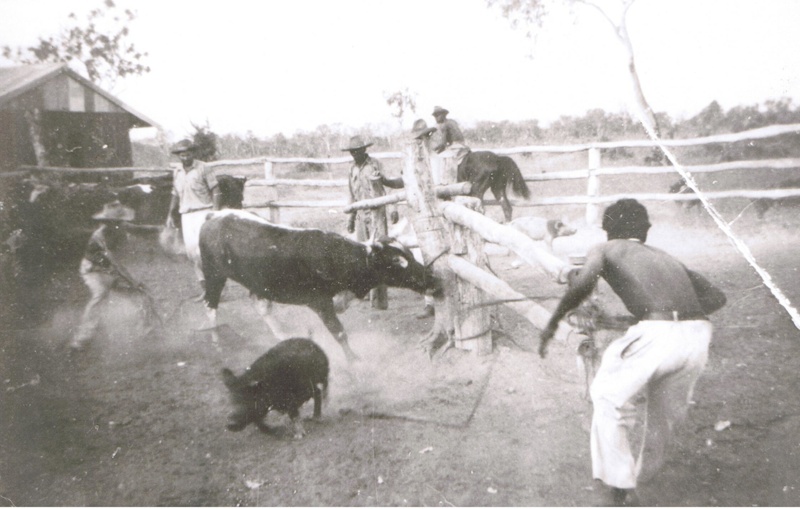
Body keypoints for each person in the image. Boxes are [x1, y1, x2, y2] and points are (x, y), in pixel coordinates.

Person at [538, 198, 726, 506]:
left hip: (659, 334)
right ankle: (644, 483)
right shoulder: (665, 256)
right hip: (697, 335)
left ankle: (620, 484)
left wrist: (551, 324)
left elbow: (582, 285)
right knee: (664, 416)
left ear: (607, 229)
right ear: (645, 229)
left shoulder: (605, 249)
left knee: (607, 396)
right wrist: (667, 314)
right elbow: (717, 298)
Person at [70, 201, 150, 350]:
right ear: (106, 222)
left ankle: (147, 332)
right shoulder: (100, 235)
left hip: (110, 269)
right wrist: (133, 281)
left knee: (140, 294)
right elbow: (115, 262)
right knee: (101, 293)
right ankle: (82, 338)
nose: (116, 224)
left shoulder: (122, 226)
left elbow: (139, 229)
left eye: (119, 221)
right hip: (93, 270)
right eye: (112, 222)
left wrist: (160, 228)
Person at [344, 135, 404, 310]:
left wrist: (393, 208)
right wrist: (351, 218)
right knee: (363, 253)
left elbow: (389, 186)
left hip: (377, 213)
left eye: (357, 151)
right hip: (361, 215)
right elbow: (351, 194)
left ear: (364, 150)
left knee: (380, 252)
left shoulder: (375, 164)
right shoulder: (352, 169)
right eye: (352, 152)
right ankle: (366, 293)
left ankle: (380, 301)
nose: (354, 154)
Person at [165, 139, 222, 298]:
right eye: (182, 155)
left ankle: (215, 289)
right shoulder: (177, 171)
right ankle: (205, 290)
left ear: (193, 153)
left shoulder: (203, 168)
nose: (185, 157)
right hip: (186, 215)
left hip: (203, 212)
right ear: (178, 156)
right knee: (191, 254)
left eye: (188, 154)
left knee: (205, 252)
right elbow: (175, 194)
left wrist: (215, 212)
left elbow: (216, 190)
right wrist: (170, 214)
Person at [409, 119, 438, 319]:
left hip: (437, 215)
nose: (419, 142)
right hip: (421, 215)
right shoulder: (413, 161)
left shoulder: (437, 159)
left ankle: (443, 300)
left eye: (422, 138)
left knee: (439, 258)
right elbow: (405, 182)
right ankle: (429, 303)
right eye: (417, 139)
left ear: (428, 137)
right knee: (422, 258)